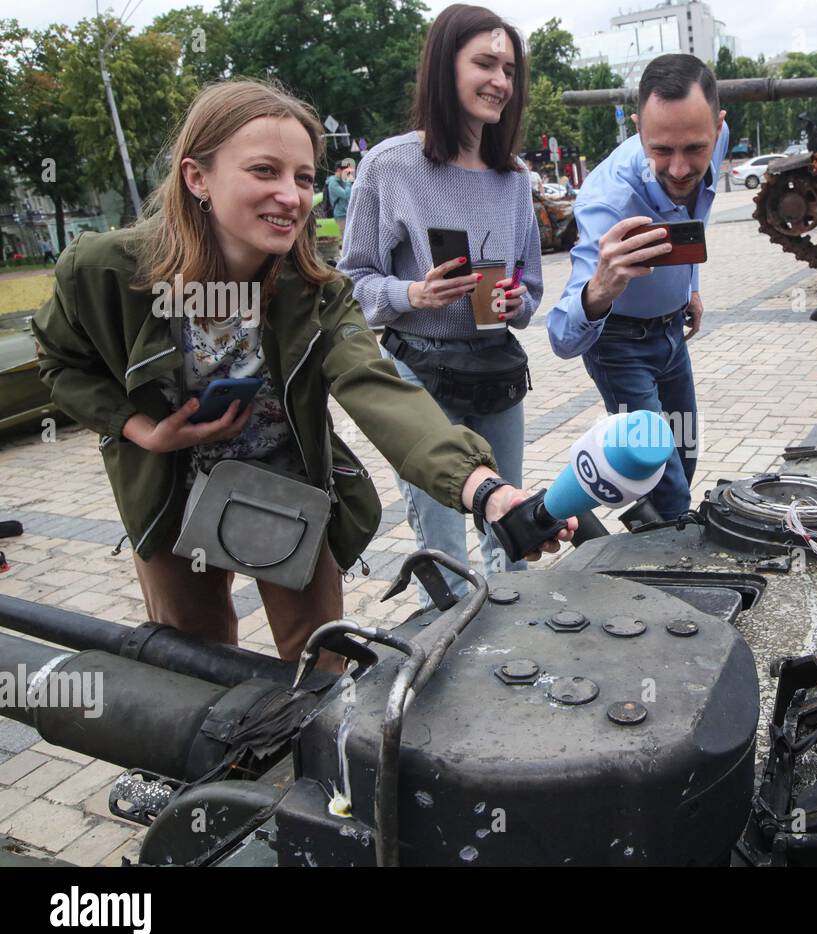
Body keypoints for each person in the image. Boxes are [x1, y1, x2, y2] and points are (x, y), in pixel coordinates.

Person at [31, 79, 571, 668]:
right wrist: (141, 429)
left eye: (305, 178)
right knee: (196, 670)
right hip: (169, 496)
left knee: (321, 664)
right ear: (197, 177)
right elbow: (62, 364)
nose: (290, 195)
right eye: (265, 171)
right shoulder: (106, 271)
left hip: (286, 494)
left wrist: (486, 491)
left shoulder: (315, 291)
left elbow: (381, 391)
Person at [339, 4, 542, 606]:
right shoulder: (389, 166)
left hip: (496, 373)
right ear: (442, 69)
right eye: (484, 63)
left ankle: (519, 656)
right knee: (445, 551)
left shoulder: (515, 179)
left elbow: (531, 289)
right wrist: (413, 294)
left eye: (508, 68)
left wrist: (514, 300)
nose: (500, 81)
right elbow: (351, 281)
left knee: (511, 531)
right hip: (420, 379)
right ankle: (450, 665)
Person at [547, 53, 727, 519]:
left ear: (718, 124)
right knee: (664, 479)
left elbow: (693, 218)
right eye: (661, 150)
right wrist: (601, 287)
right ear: (637, 130)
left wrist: (690, 285)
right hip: (620, 346)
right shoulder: (609, 200)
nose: (682, 168)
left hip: (672, 336)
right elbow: (561, 337)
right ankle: (669, 572)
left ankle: (649, 527)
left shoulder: (718, 138)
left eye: (695, 148)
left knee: (683, 454)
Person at [326, 158, 354, 239]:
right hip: (341, 216)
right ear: (339, 170)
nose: (348, 173)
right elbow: (346, 195)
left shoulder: (342, 181)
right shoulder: (333, 183)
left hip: (348, 213)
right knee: (347, 240)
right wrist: (348, 181)